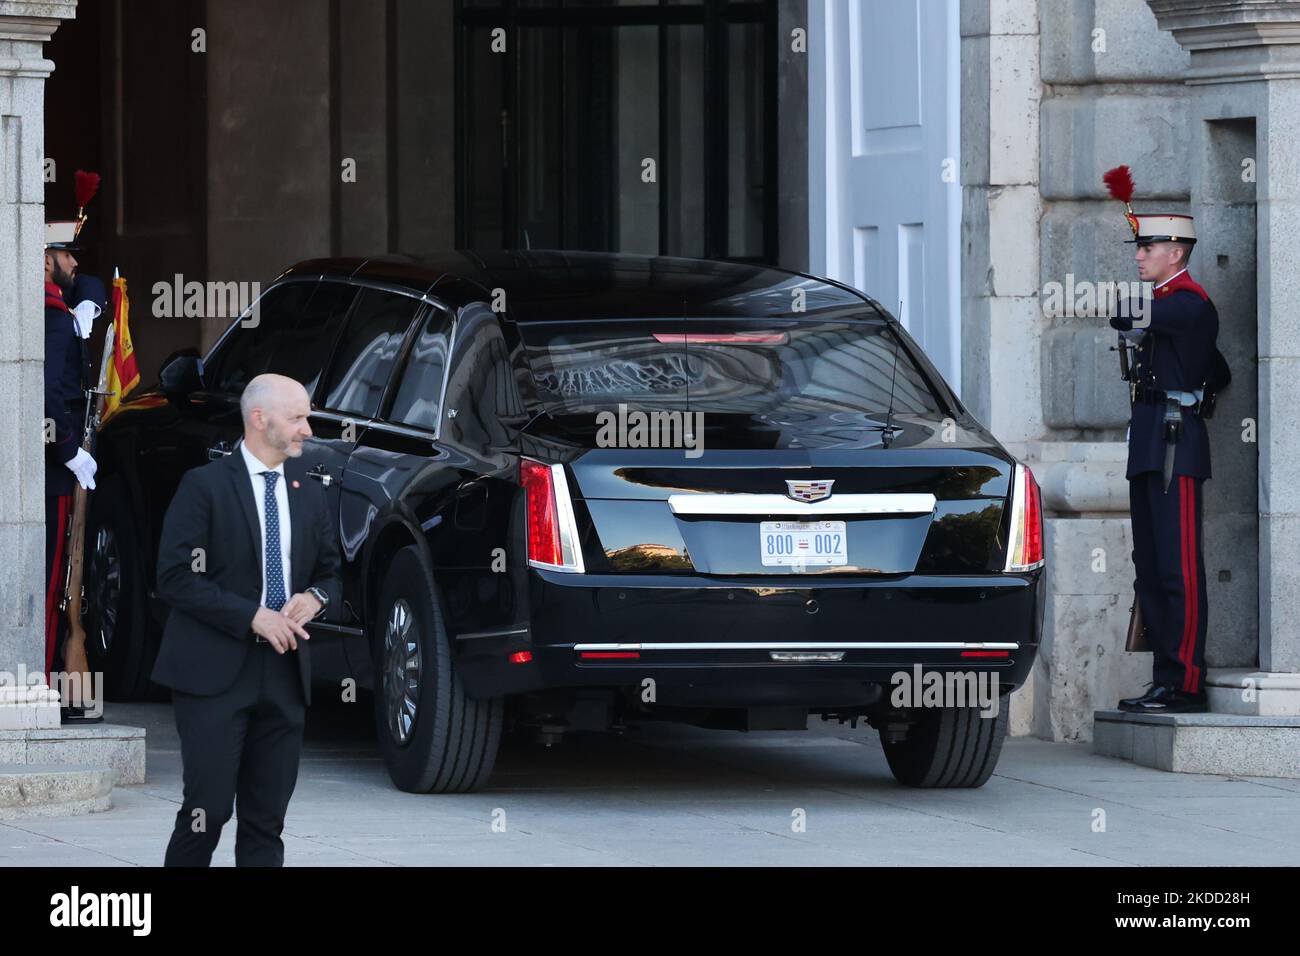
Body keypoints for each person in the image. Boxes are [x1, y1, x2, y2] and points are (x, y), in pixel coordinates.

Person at [153, 373, 341, 866]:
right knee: (207, 810)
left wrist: (315, 598)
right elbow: (174, 577)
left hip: (283, 674)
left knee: (266, 820)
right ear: (260, 419)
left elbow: (332, 572)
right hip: (213, 675)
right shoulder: (205, 486)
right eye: (298, 417)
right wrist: (251, 616)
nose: (308, 429)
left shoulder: (309, 490)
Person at [1104, 168, 1228, 714]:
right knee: (1150, 564)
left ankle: (1187, 683)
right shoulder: (1170, 307)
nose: (1139, 255)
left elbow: (1120, 314)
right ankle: (1164, 677)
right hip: (1151, 442)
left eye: (1148, 245)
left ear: (1176, 252)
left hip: (1177, 445)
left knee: (1179, 567)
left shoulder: (1187, 302)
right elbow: (1219, 370)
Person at [43, 219, 97, 700]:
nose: (74, 263)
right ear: (45, 259)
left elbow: (92, 284)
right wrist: (69, 452)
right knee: (51, 580)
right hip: (53, 472)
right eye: (66, 254)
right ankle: (39, 682)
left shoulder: (57, 311)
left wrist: (93, 301)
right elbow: (48, 394)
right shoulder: (54, 318)